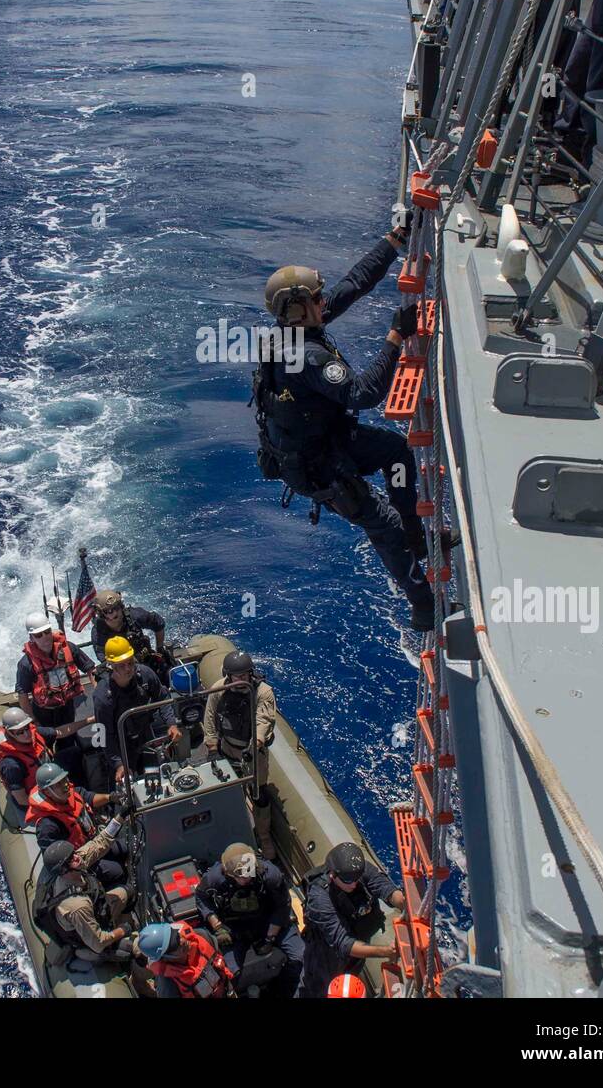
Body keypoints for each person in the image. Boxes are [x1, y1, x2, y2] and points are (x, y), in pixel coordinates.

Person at [252, 234, 436, 629]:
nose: (324, 303)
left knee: (397, 453)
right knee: (381, 526)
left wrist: (393, 243)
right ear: (299, 309)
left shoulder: (291, 330)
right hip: (320, 468)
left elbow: (352, 286)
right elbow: (363, 393)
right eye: (317, 300)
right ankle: (422, 603)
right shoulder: (307, 357)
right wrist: (395, 338)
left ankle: (415, 535)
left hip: (323, 441)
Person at [195, 842, 303, 998]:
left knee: (300, 955)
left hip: (267, 921)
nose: (246, 879)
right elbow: (201, 898)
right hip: (233, 928)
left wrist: (270, 937)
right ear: (228, 872)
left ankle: (289, 990)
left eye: (249, 875)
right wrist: (218, 926)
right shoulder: (214, 878)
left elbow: (283, 905)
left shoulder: (270, 875)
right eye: (241, 877)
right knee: (227, 972)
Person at [298, 842, 404, 998]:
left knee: (352, 973)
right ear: (333, 875)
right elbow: (343, 942)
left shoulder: (357, 871)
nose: (354, 884)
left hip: (358, 940)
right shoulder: (319, 896)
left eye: (357, 878)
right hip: (326, 952)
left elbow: (386, 889)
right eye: (348, 881)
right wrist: (387, 952)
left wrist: (405, 903)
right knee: (318, 988)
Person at [203, 650, 277, 858]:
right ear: (228, 675)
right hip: (227, 748)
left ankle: (263, 837)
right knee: (226, 792)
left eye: (245, 675)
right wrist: (212, 748)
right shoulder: (219, 690)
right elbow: (210, 719)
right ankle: (228, 831)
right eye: (238, 676)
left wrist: (255, 746)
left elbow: (263, 720)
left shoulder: (263, 692)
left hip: (253, 753)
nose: (242, 680)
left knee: (260, 795)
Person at [33, 825, 132, 965]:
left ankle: (117, 922)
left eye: (73, 853)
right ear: (63, 870)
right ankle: (94, 953)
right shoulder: (77, 905)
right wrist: (123, 930)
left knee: (127, 892)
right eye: (70, 859)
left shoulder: (74, 864)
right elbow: (98, 942)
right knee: (126, 951)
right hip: (88, 938)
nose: (76, 857)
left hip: (94, 908)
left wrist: (119, 818)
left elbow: (98, 844)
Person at [92, 637, 181, 784]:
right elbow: (104, 734)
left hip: (145, 733)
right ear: (111, 665)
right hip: (119, 743)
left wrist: (171, 723)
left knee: (158, 777)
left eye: (130, 663)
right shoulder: (103, 697)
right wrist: (118, 764)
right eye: (122, 665)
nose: (128, 669)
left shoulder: (145, 675)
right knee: (127, 785)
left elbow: (162, 696)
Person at [0, 705, 96, 806]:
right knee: (76, 796)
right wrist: (57, 801)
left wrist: (90, 720)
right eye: (20, 732)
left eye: (26, 728)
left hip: (50, 771)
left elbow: (60, 732)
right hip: (40, 792)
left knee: (75, 752)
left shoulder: (34, 733)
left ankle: (84, 784)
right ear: (10, 733)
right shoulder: (12, 764)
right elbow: (22, 799)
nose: (27, 735)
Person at [25, 761, 116, 868]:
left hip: (97, 842)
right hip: (82, 861)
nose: (65, 785)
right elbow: (55, 861)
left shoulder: (73, 794)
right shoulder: (48, 826)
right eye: (58, 784)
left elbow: (90, 798)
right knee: (117, 871)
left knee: (124, 847)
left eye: (64, 779)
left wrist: (110, 797)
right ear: (48, 792)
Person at [15, 612, 98, 728]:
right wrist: (33, 720)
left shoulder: (69, 648)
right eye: (38, 635)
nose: (45, 637)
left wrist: (99, 692)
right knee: (46, 740)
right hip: (43, 713)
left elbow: (90, 669)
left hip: (67, 707)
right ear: (31, 638)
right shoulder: (26, 664)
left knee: (68, 740)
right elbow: (23, 695)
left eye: (47, 632)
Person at [90, 590, 172, 683]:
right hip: (122, 671)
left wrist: (160, 647)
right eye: (107, 611)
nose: (113, 613)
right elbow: (105, 659)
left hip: (146, 661)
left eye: (116, 608)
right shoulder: (99, 632)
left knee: (169, 674)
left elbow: (158, 623)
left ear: (121, 606)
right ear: (101, 614)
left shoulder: (135, 616)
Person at [137, 921, 233, 999]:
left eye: (176, 935)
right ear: (166, 958)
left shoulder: (201, 936)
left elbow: (221, 961)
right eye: (174, 945)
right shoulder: (167, 983)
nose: (182, 941)